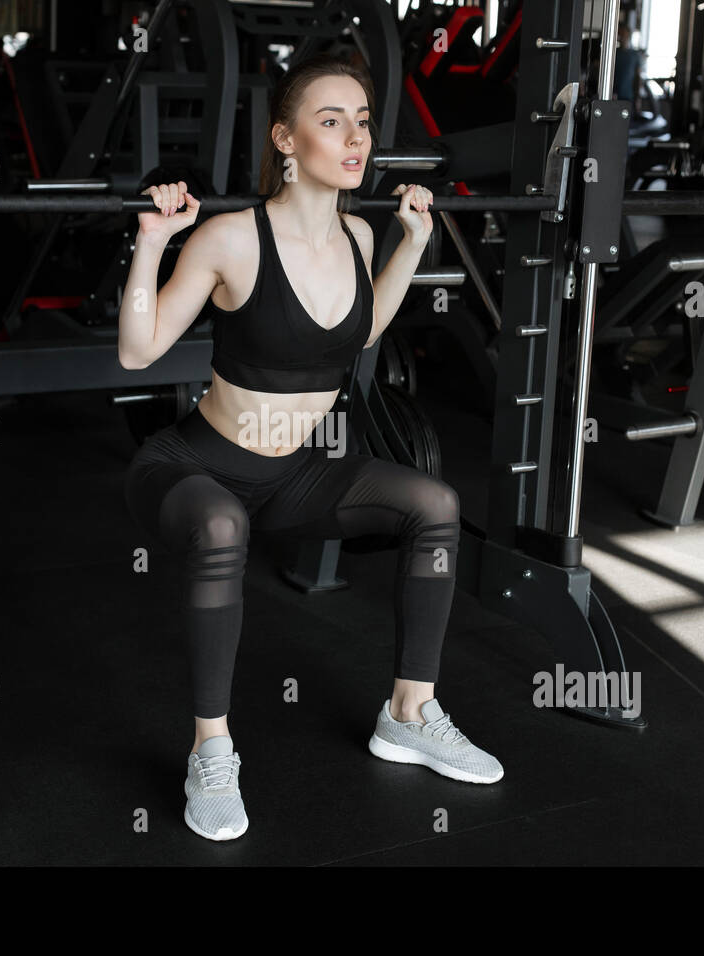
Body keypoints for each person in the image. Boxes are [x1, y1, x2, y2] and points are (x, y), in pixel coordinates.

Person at [118, 54, 504, 842]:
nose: (354, 136)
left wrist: (411, 244)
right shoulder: (230, 238)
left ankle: (408, 712)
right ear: (286, 140)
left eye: (362, 121)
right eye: (331, 121)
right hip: (194, 469)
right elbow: (138, 351)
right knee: (222, 528)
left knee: (436, 505)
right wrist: (153, 242)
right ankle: (211, 750)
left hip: (300, 474)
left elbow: (360, 332)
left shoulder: (361, 233)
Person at [613, 23, 643, 109]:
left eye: (624, 34)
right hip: (614, 95)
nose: (622, 37)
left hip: (628, 96)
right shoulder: (614, 54)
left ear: (628, 35)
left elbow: (638, 77)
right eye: (620, 34)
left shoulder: (635, 55)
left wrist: (638, 98)